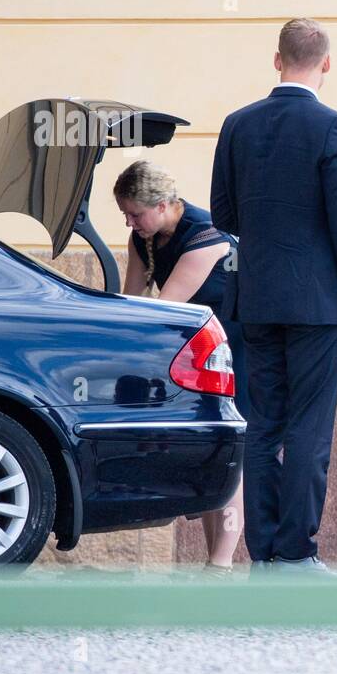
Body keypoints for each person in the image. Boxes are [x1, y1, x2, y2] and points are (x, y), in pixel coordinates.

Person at [210, 17, 337, 575]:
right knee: (309, 426)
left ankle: (263, 554)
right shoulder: (333, 128)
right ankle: (298, 552)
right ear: (326, 65)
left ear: (276, 59)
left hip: (257, 298)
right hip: (318, 306)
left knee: (263, 424)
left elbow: (224, 215)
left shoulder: (237, 124)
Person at [114, 160, 245, 575]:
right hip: (197, 353)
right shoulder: (145, 236)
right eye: (126, 214)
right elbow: (131, 301)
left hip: (235, 347)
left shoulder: (205, 236)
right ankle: (214, 564)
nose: (130, 223)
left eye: (136, 213)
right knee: (211, 451)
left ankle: (221, 564)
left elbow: (164, 308)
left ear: (167, 204)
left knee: (231, 454)